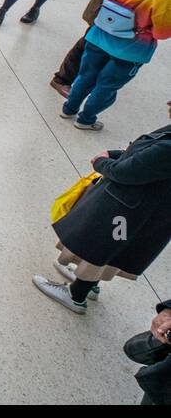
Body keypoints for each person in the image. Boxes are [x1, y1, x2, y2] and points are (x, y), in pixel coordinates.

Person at [33, 106, 171, 314]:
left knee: (101, 249)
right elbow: (143, 155)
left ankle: (76, 295)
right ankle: (89, 283)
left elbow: (127, 172)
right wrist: (116, 154)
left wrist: (101, 162)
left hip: (130, 210)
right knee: (109, 250)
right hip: (142, 211)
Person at [60, 0, 171, 129]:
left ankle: (68, 109)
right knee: (107, 85)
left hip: (98, 37)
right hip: (130, 50)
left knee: (86, 75)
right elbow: (161, 33)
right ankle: (86, 120)